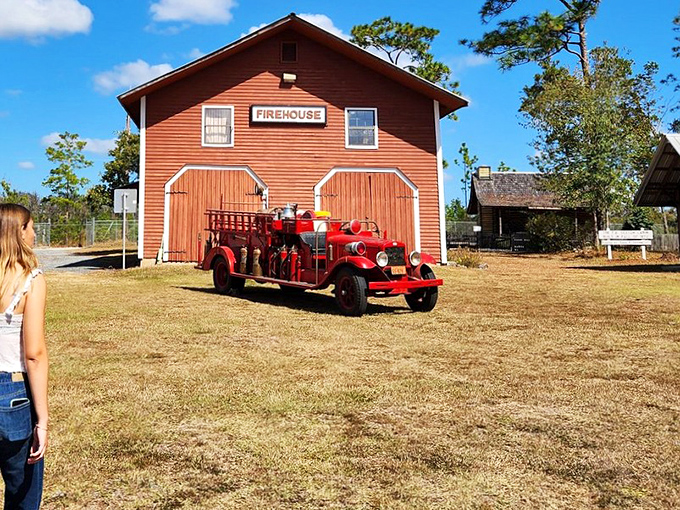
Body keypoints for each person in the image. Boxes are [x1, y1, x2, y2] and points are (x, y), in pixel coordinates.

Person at [0, 204, 48, 509]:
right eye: (30, 227)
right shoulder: (31, 280)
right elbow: (34, 354)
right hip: (12, 395)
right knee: (22, 491)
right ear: (19, 232)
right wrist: (42, 420)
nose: (34, 233)